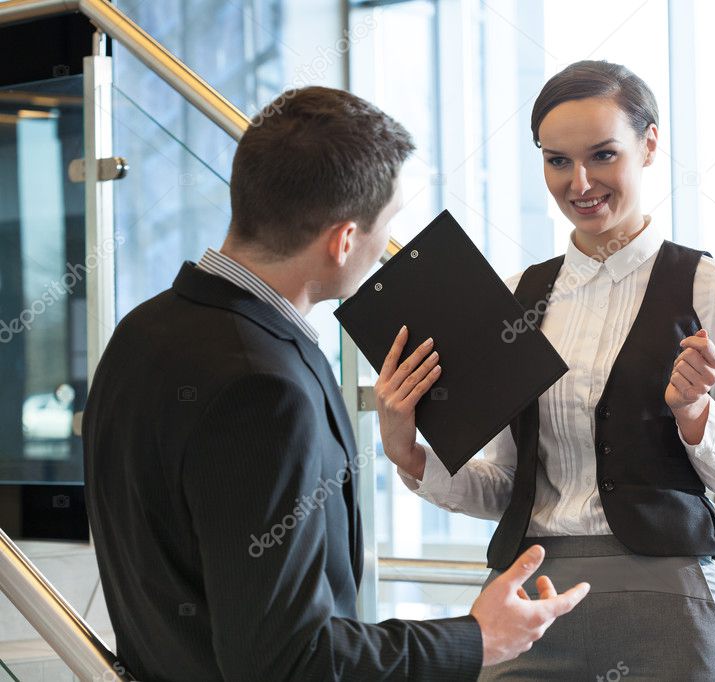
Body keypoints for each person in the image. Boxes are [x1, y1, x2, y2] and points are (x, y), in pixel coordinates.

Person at [83, 86, 588, 682]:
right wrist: (476, 639)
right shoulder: (264, 389)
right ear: (344, 239)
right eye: (389, 223)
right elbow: (287, 660)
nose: (388, 249)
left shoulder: (141, 330)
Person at [376, 61, 715, 681]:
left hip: (666, 604)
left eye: (603, 155)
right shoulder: (513, 299)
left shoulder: (713, 288)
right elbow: (509, 487)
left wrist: (697, 416)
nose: (580, 182)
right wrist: (410, 456)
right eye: (557, 160)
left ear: (649, 145)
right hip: (528, 601)